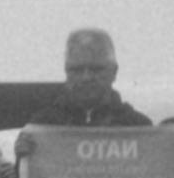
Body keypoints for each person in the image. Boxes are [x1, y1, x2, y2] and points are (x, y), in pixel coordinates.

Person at [22, 25, 152, 130]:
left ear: (114, 72)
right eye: (77, 70)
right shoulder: (42, 125)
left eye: (96, 69)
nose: (86, 77)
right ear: (67, 72)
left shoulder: (138, 127)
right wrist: (23, 157)